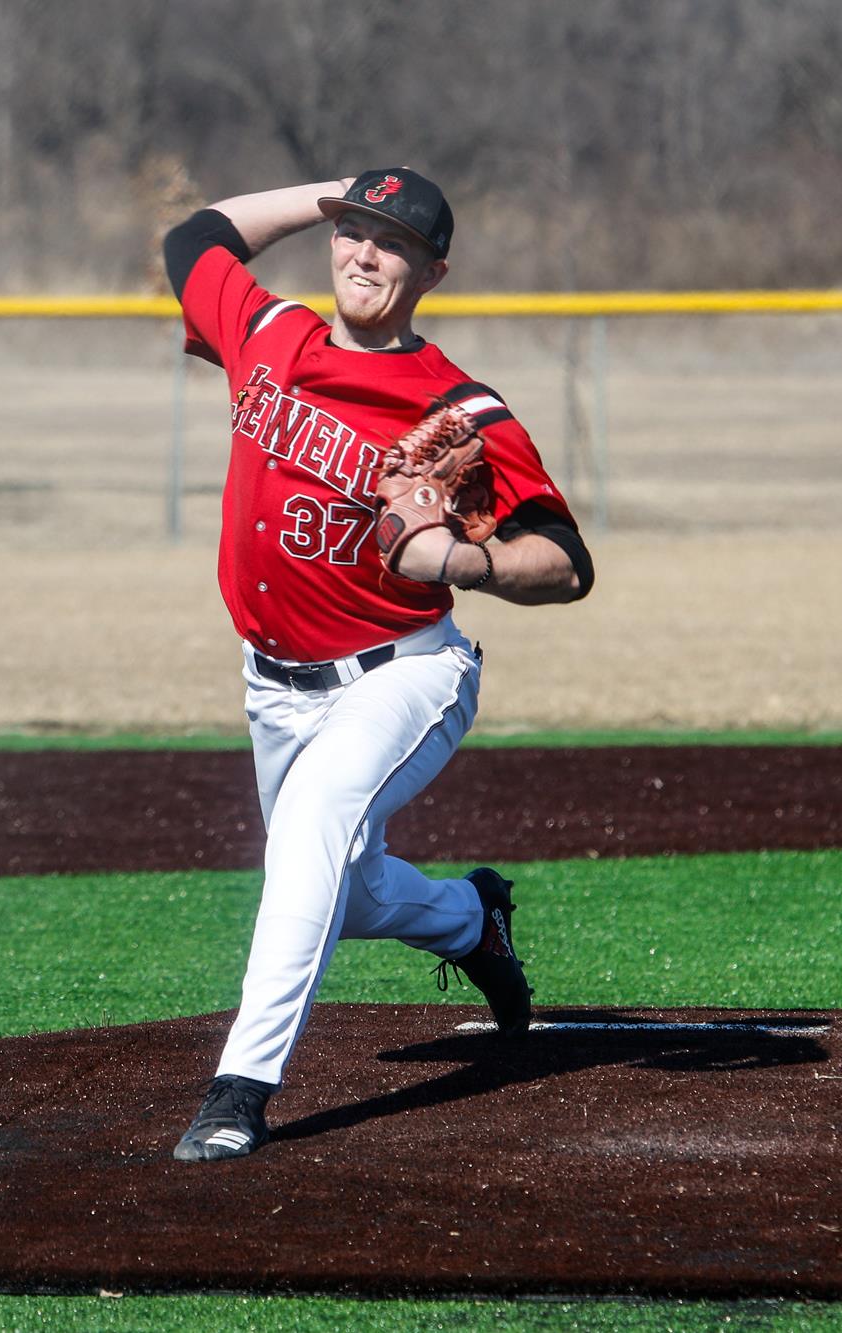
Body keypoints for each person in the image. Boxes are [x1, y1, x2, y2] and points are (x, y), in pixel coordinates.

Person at [162, 168, 594, 1162]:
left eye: (390, 240)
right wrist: (331, 191)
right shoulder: (271, 336)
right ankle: (467, 918)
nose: (362, 252)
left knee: (308, 834)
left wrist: (462, 559)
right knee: (340, 892)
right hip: (273, 685)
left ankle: (239, 1089)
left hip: (403, 673)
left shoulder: (451, 415)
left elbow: (563, 564)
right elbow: (196, 238)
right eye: (353, 231)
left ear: (431, 271)